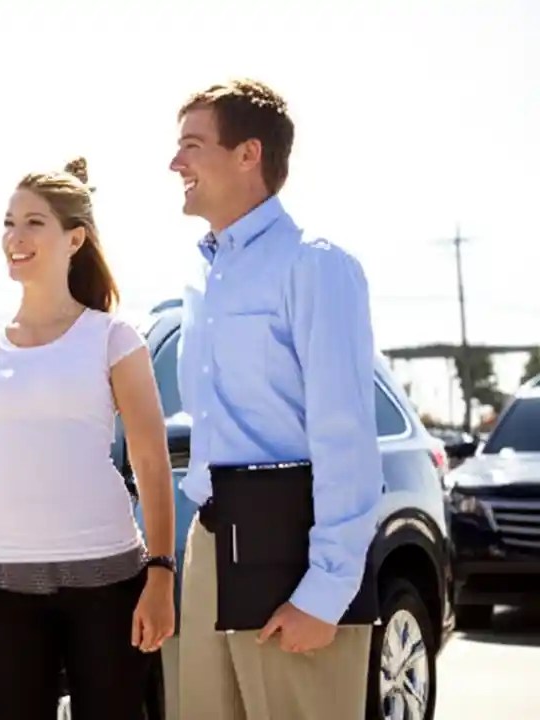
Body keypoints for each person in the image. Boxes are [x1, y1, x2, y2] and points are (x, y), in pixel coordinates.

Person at [0, 158, 177, 719]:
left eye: (33, 223)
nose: (15, 238)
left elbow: (150, 459)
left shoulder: (113, 338)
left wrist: (161, 574)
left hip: (109, 582)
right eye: (8, 223)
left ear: (75, 238)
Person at [169, 79, 384, 719]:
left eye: (191, 145)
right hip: (211, 543)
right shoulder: (202, 278)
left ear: (248, 154)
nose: (175, 163)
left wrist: (327, 590)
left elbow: (345, 437)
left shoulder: (314, 266)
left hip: (293, 550)